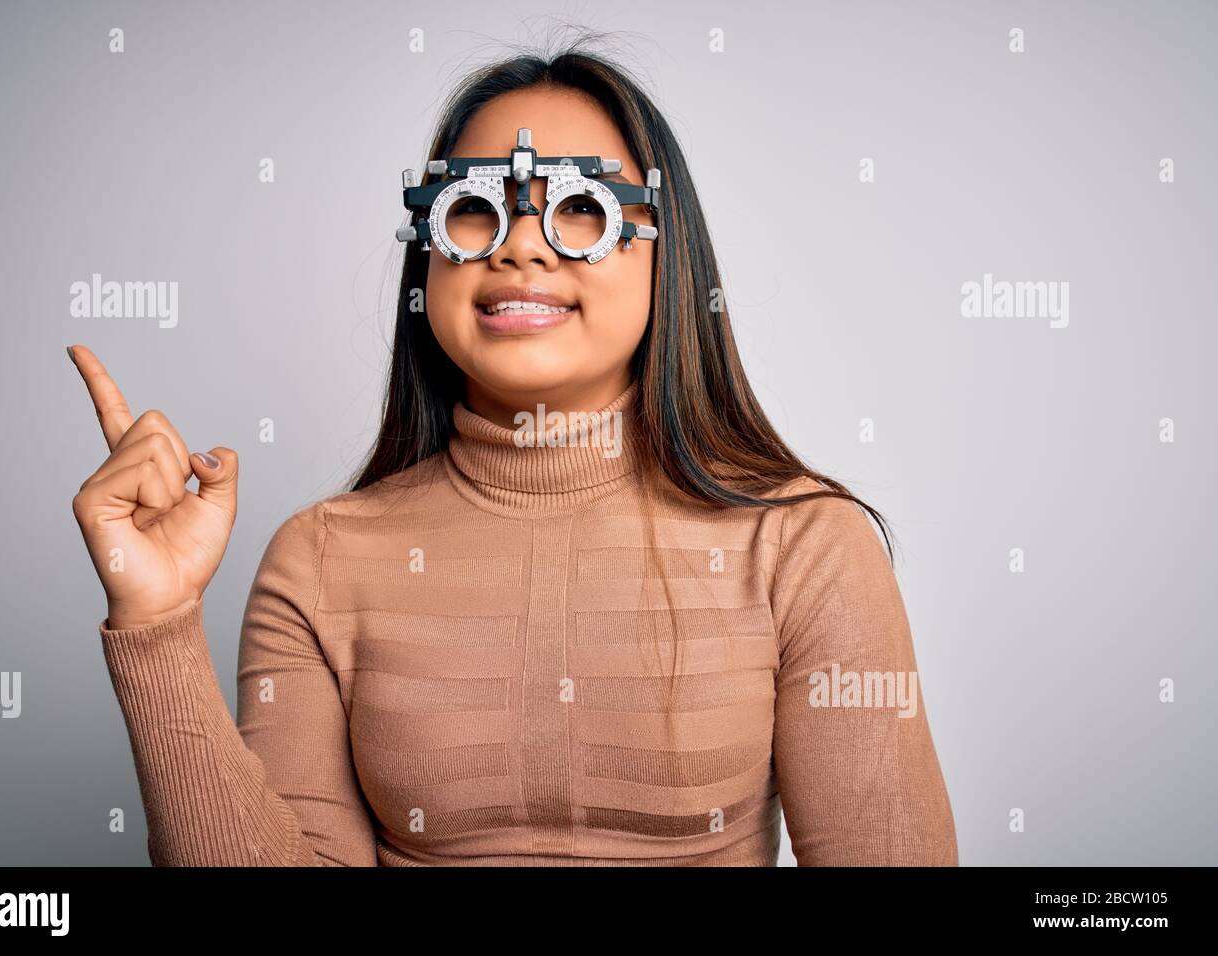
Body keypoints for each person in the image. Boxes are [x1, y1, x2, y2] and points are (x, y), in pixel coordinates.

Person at [69, 43, 958, 867]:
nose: (523, 246)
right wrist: (159, 627)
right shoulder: (319, 558)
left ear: (665, 249)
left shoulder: (804, 547)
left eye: (581, 206)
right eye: (474, 210)